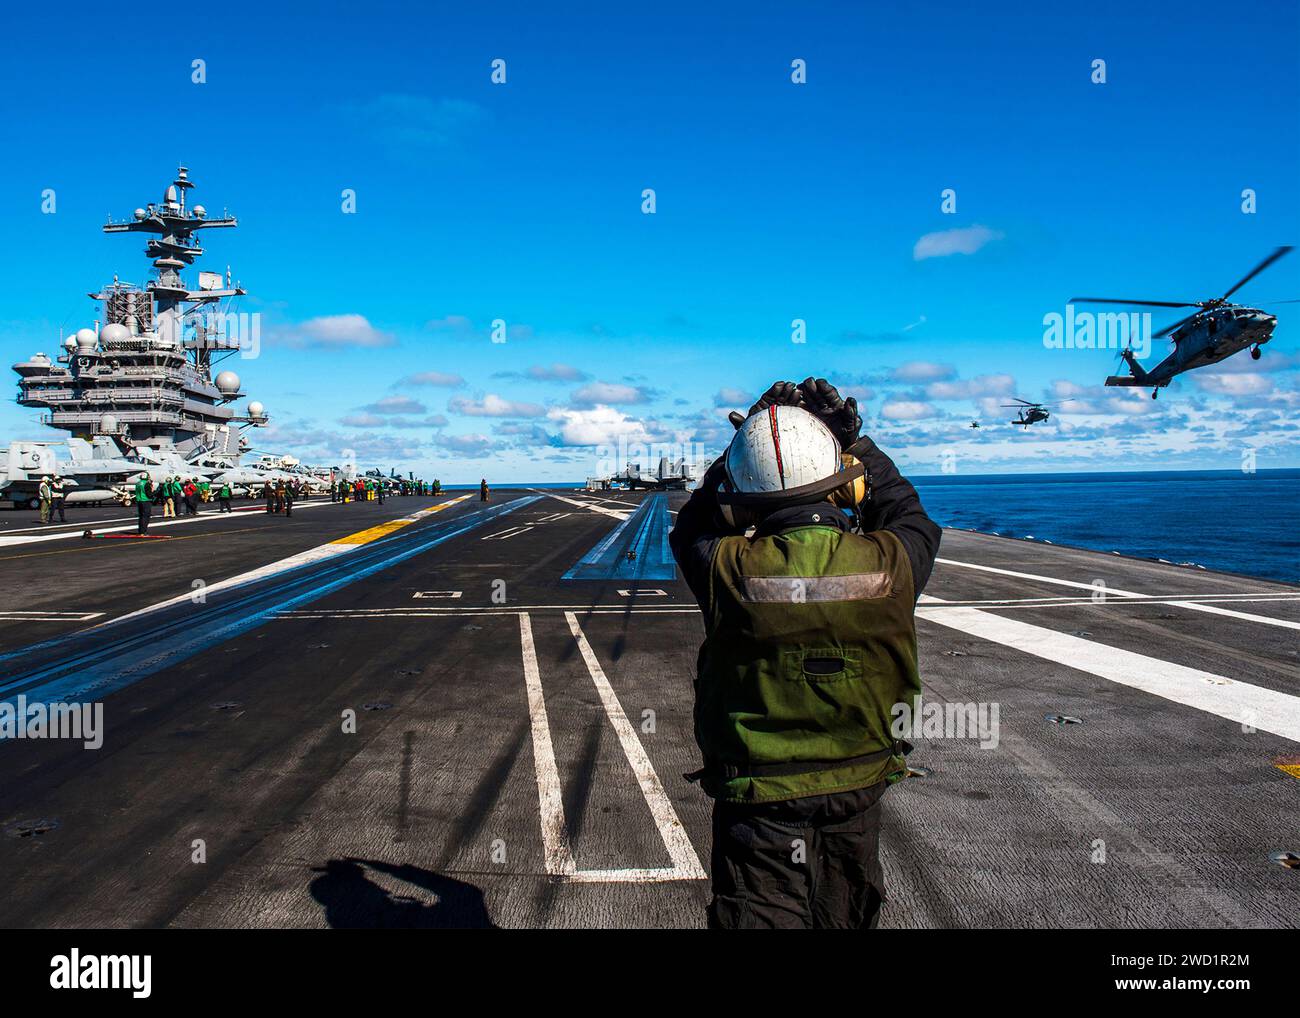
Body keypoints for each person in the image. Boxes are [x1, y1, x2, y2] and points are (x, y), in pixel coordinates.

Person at [668, 378, 941, 930]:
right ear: (843, 487)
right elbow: (907, 511)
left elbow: (693, 524)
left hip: (759, 797)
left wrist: (747, 443)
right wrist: (856, 444)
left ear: (743, 495)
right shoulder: (895, 560)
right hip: (858, 786)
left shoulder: (725, 568)